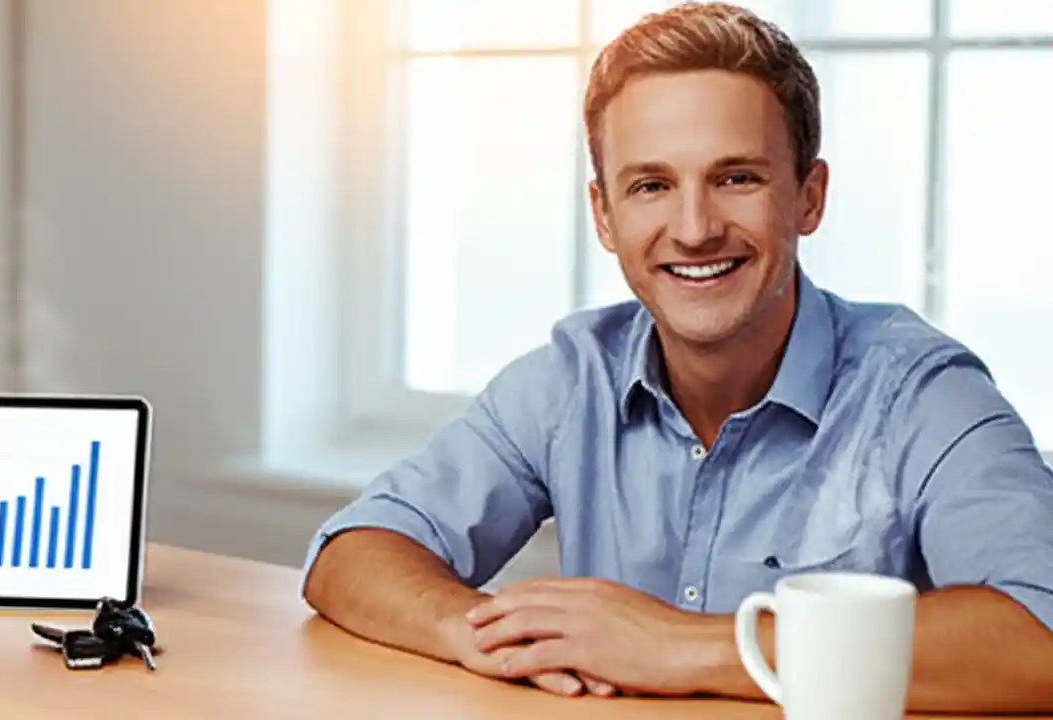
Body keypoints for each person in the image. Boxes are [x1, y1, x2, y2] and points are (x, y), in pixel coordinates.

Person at [300, 1, 1053, 711]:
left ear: (808, 198)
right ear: (605, 214)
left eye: (736, 178)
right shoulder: (573, 377)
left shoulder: (923, 395)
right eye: (652, 185)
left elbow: (1041, 633)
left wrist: (678, 646)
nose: (693, 229)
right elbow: (351, 553)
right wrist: (484, 636)